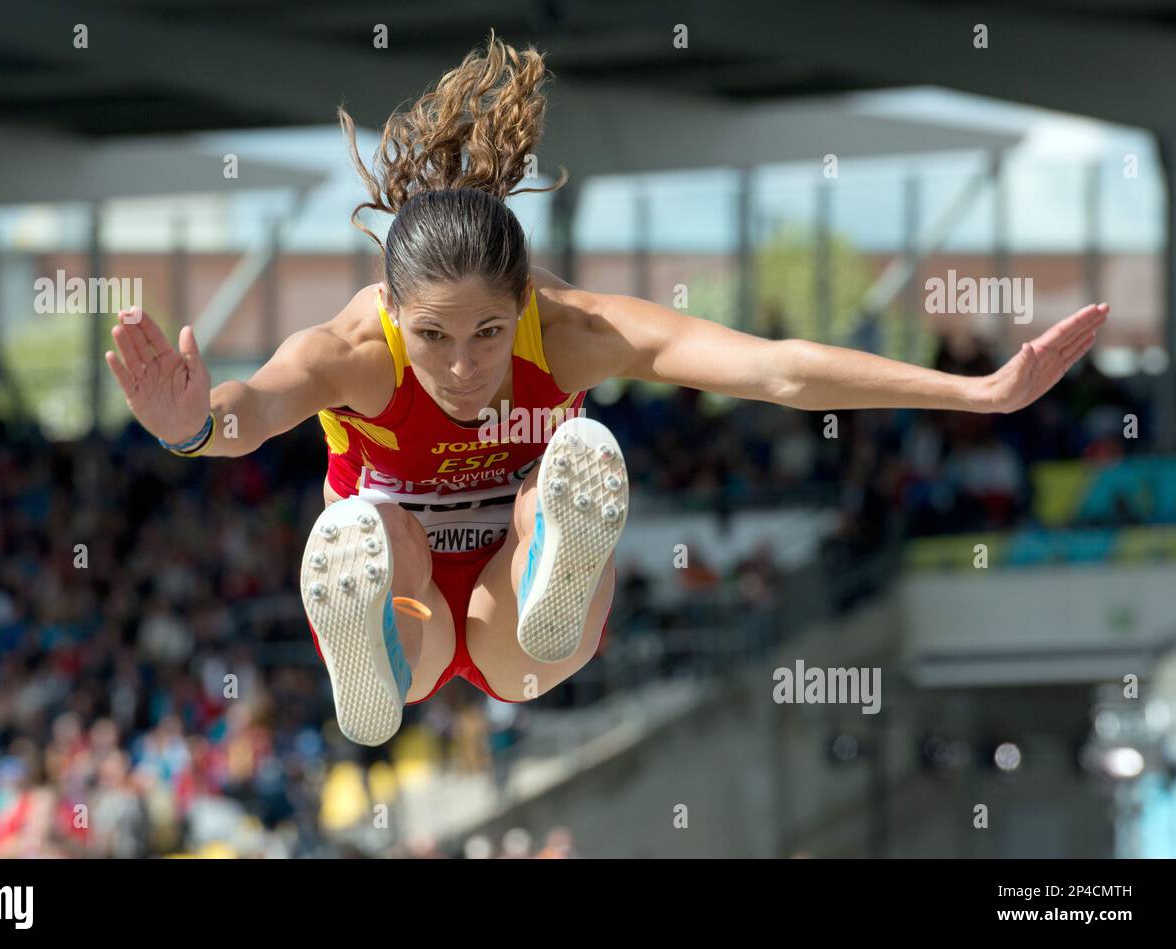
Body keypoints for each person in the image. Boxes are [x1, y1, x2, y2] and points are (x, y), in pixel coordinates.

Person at [104, 31, 1108, 746]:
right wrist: (192, 424)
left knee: (557, 488)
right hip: (409, 615)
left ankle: (553, 571)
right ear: (395, 320)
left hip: (519, 627)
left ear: (525, 301)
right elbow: (253, 409)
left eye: (491, 332)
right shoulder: (351, 351)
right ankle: (359, 646)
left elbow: (772, 366)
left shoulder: (576, 333)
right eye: (436, 339)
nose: (463, 367)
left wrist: (975, 394)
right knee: (382, 536)